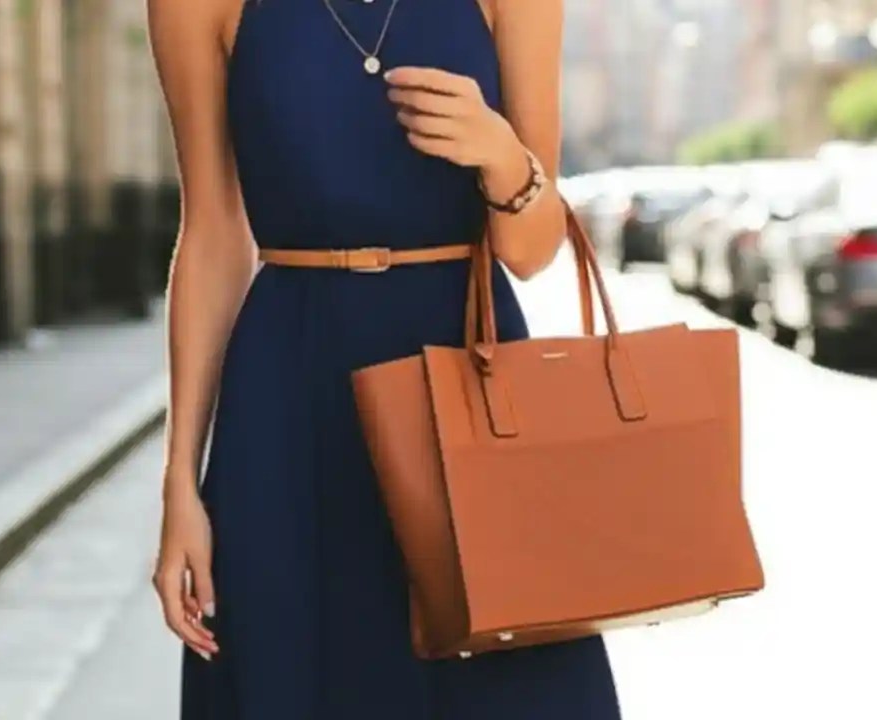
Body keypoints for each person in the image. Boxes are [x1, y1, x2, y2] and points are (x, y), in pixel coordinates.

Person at [146, 0, 621, 716]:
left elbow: (530, 250)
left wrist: (499, 154)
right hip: (290, 396)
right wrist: (181, 481)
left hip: (468, 376)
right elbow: (213, 232)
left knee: (500, 684)